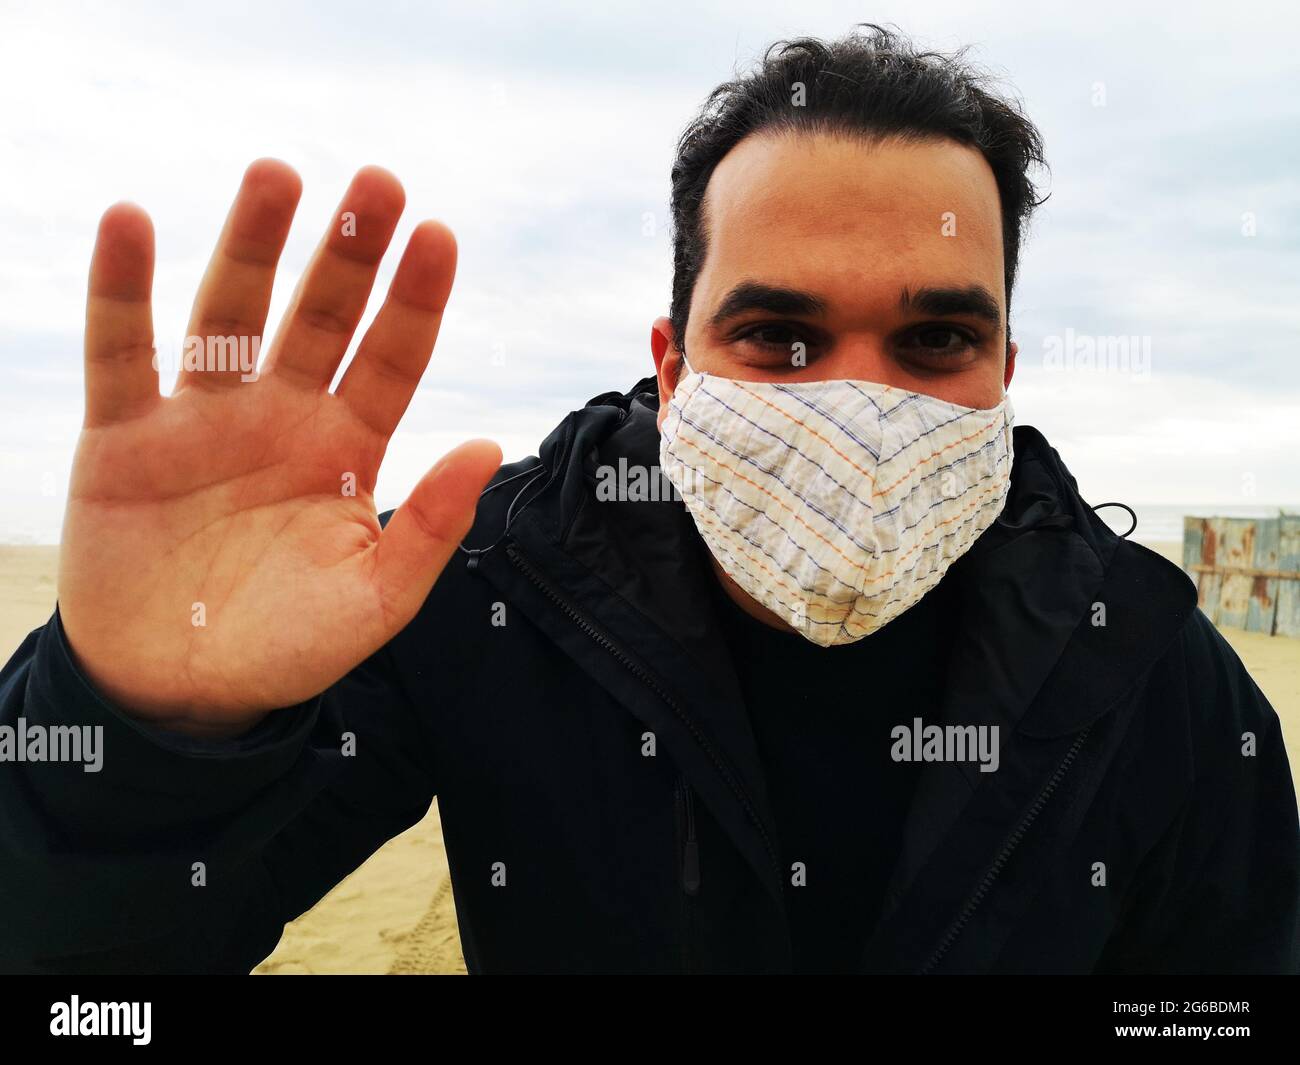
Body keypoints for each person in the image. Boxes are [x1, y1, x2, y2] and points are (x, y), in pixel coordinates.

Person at [1, 25, 1296, 975]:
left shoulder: (1153, 677)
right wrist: (134, 727)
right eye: (779, 337)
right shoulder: (492, 593)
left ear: (1004, 368)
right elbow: (94, 954)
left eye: (934, 342)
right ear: (673, 365)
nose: (855, 402)